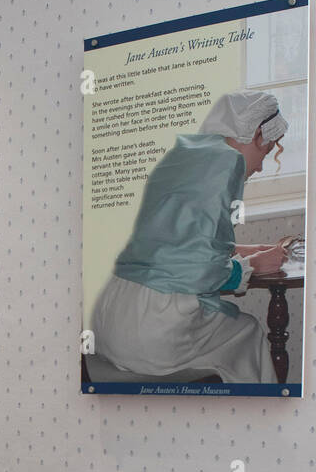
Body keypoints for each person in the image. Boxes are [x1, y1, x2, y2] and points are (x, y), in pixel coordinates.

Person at [91, 91, 291, 383]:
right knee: (247, 330)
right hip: (152, 329)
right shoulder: (228, 161)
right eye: (265, 150)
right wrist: (256, 267)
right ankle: (260, 420)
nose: (260, 166)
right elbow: (199, 270)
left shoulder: (187, 154)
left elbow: (172, 242)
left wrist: (244, 251)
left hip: (111, 316)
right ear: (257, 132)